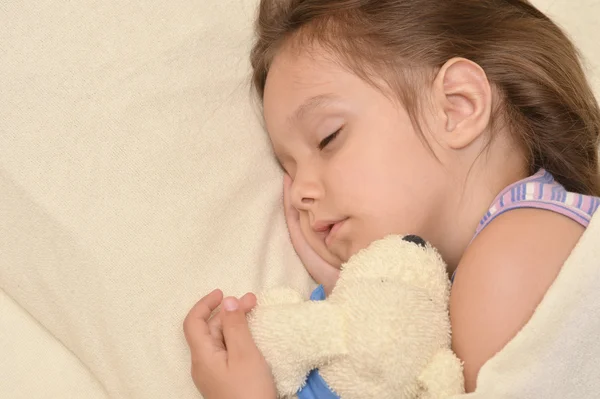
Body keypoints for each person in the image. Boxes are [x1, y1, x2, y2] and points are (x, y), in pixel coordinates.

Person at [183, 0, 600, 397]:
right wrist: (362, 300)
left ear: (458, 107)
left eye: (328, 139)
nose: (300, 194)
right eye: (288, 170)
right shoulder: (524, 247)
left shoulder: (512, 260)